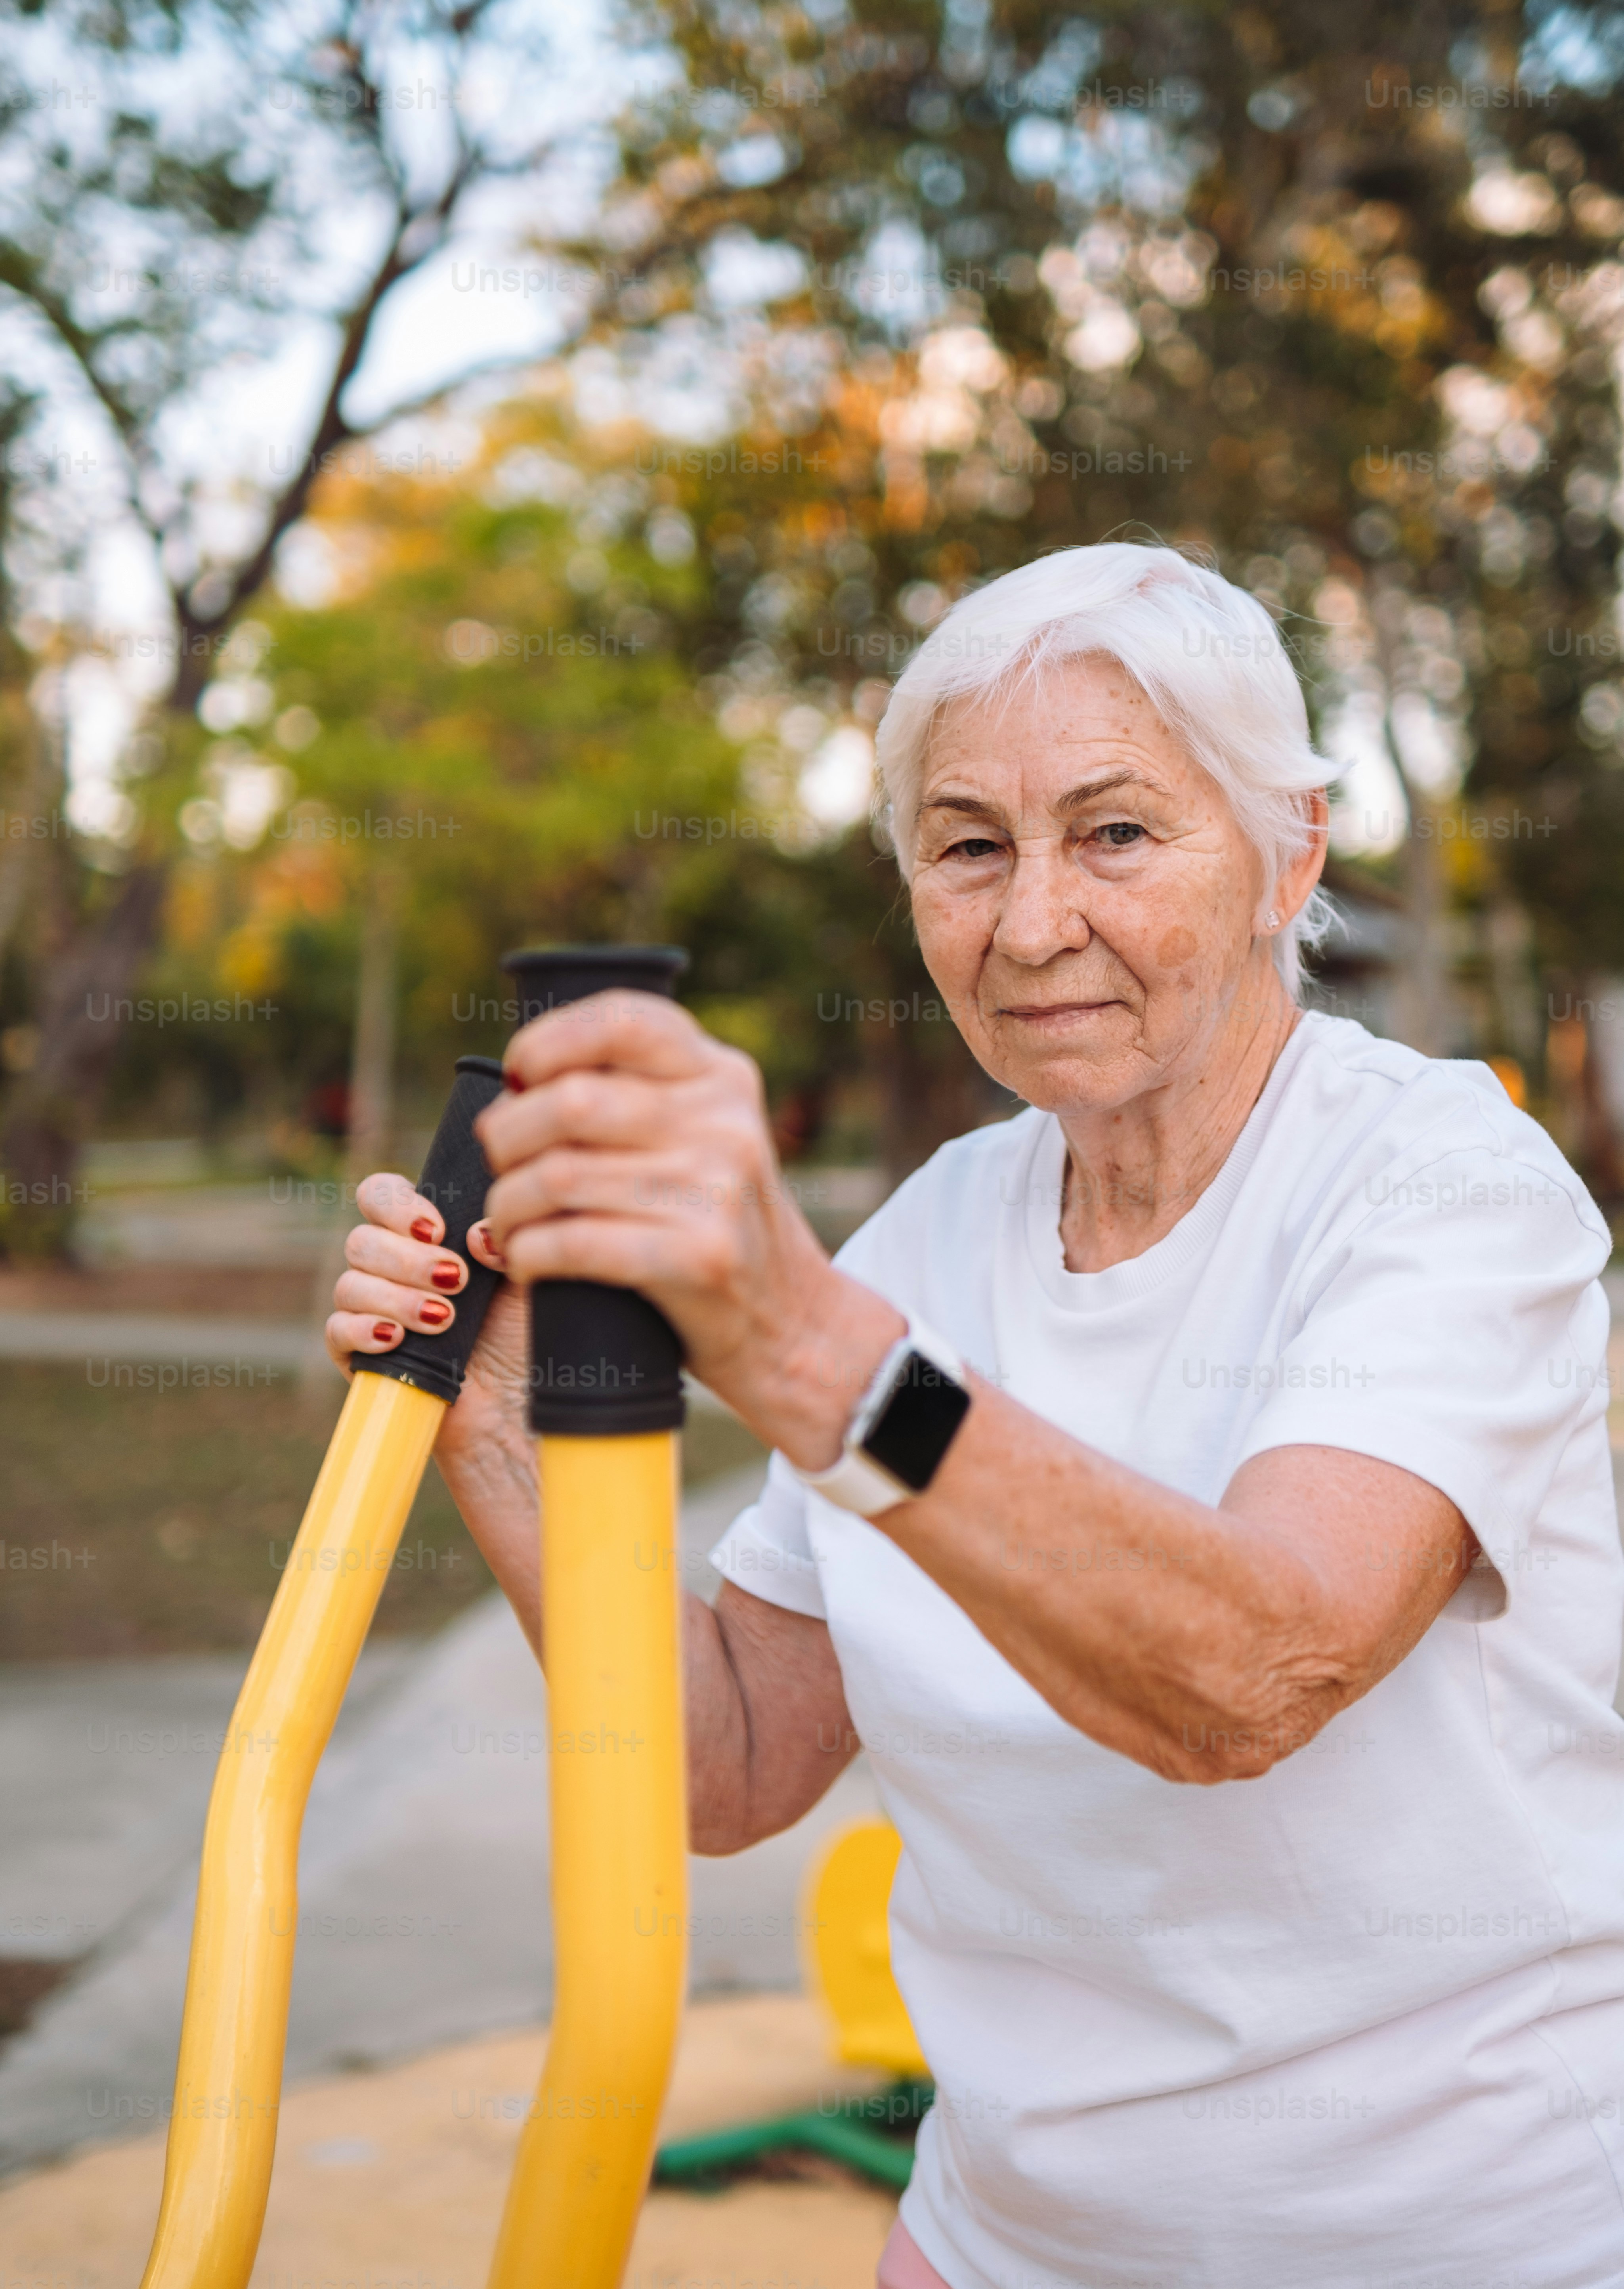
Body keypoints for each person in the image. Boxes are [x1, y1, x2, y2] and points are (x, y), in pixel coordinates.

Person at [327, 544, 1624, 2289]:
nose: (1029, 924)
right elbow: (721, 1764)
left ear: (1285, 855)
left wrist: (803, 1343)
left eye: (1113, 832)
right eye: (965, 847)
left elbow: (1255, 1672)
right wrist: (492, 1416)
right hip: (1005, 2244)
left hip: (1456, 2242)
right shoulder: (934, 1226)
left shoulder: (1443, 1185)